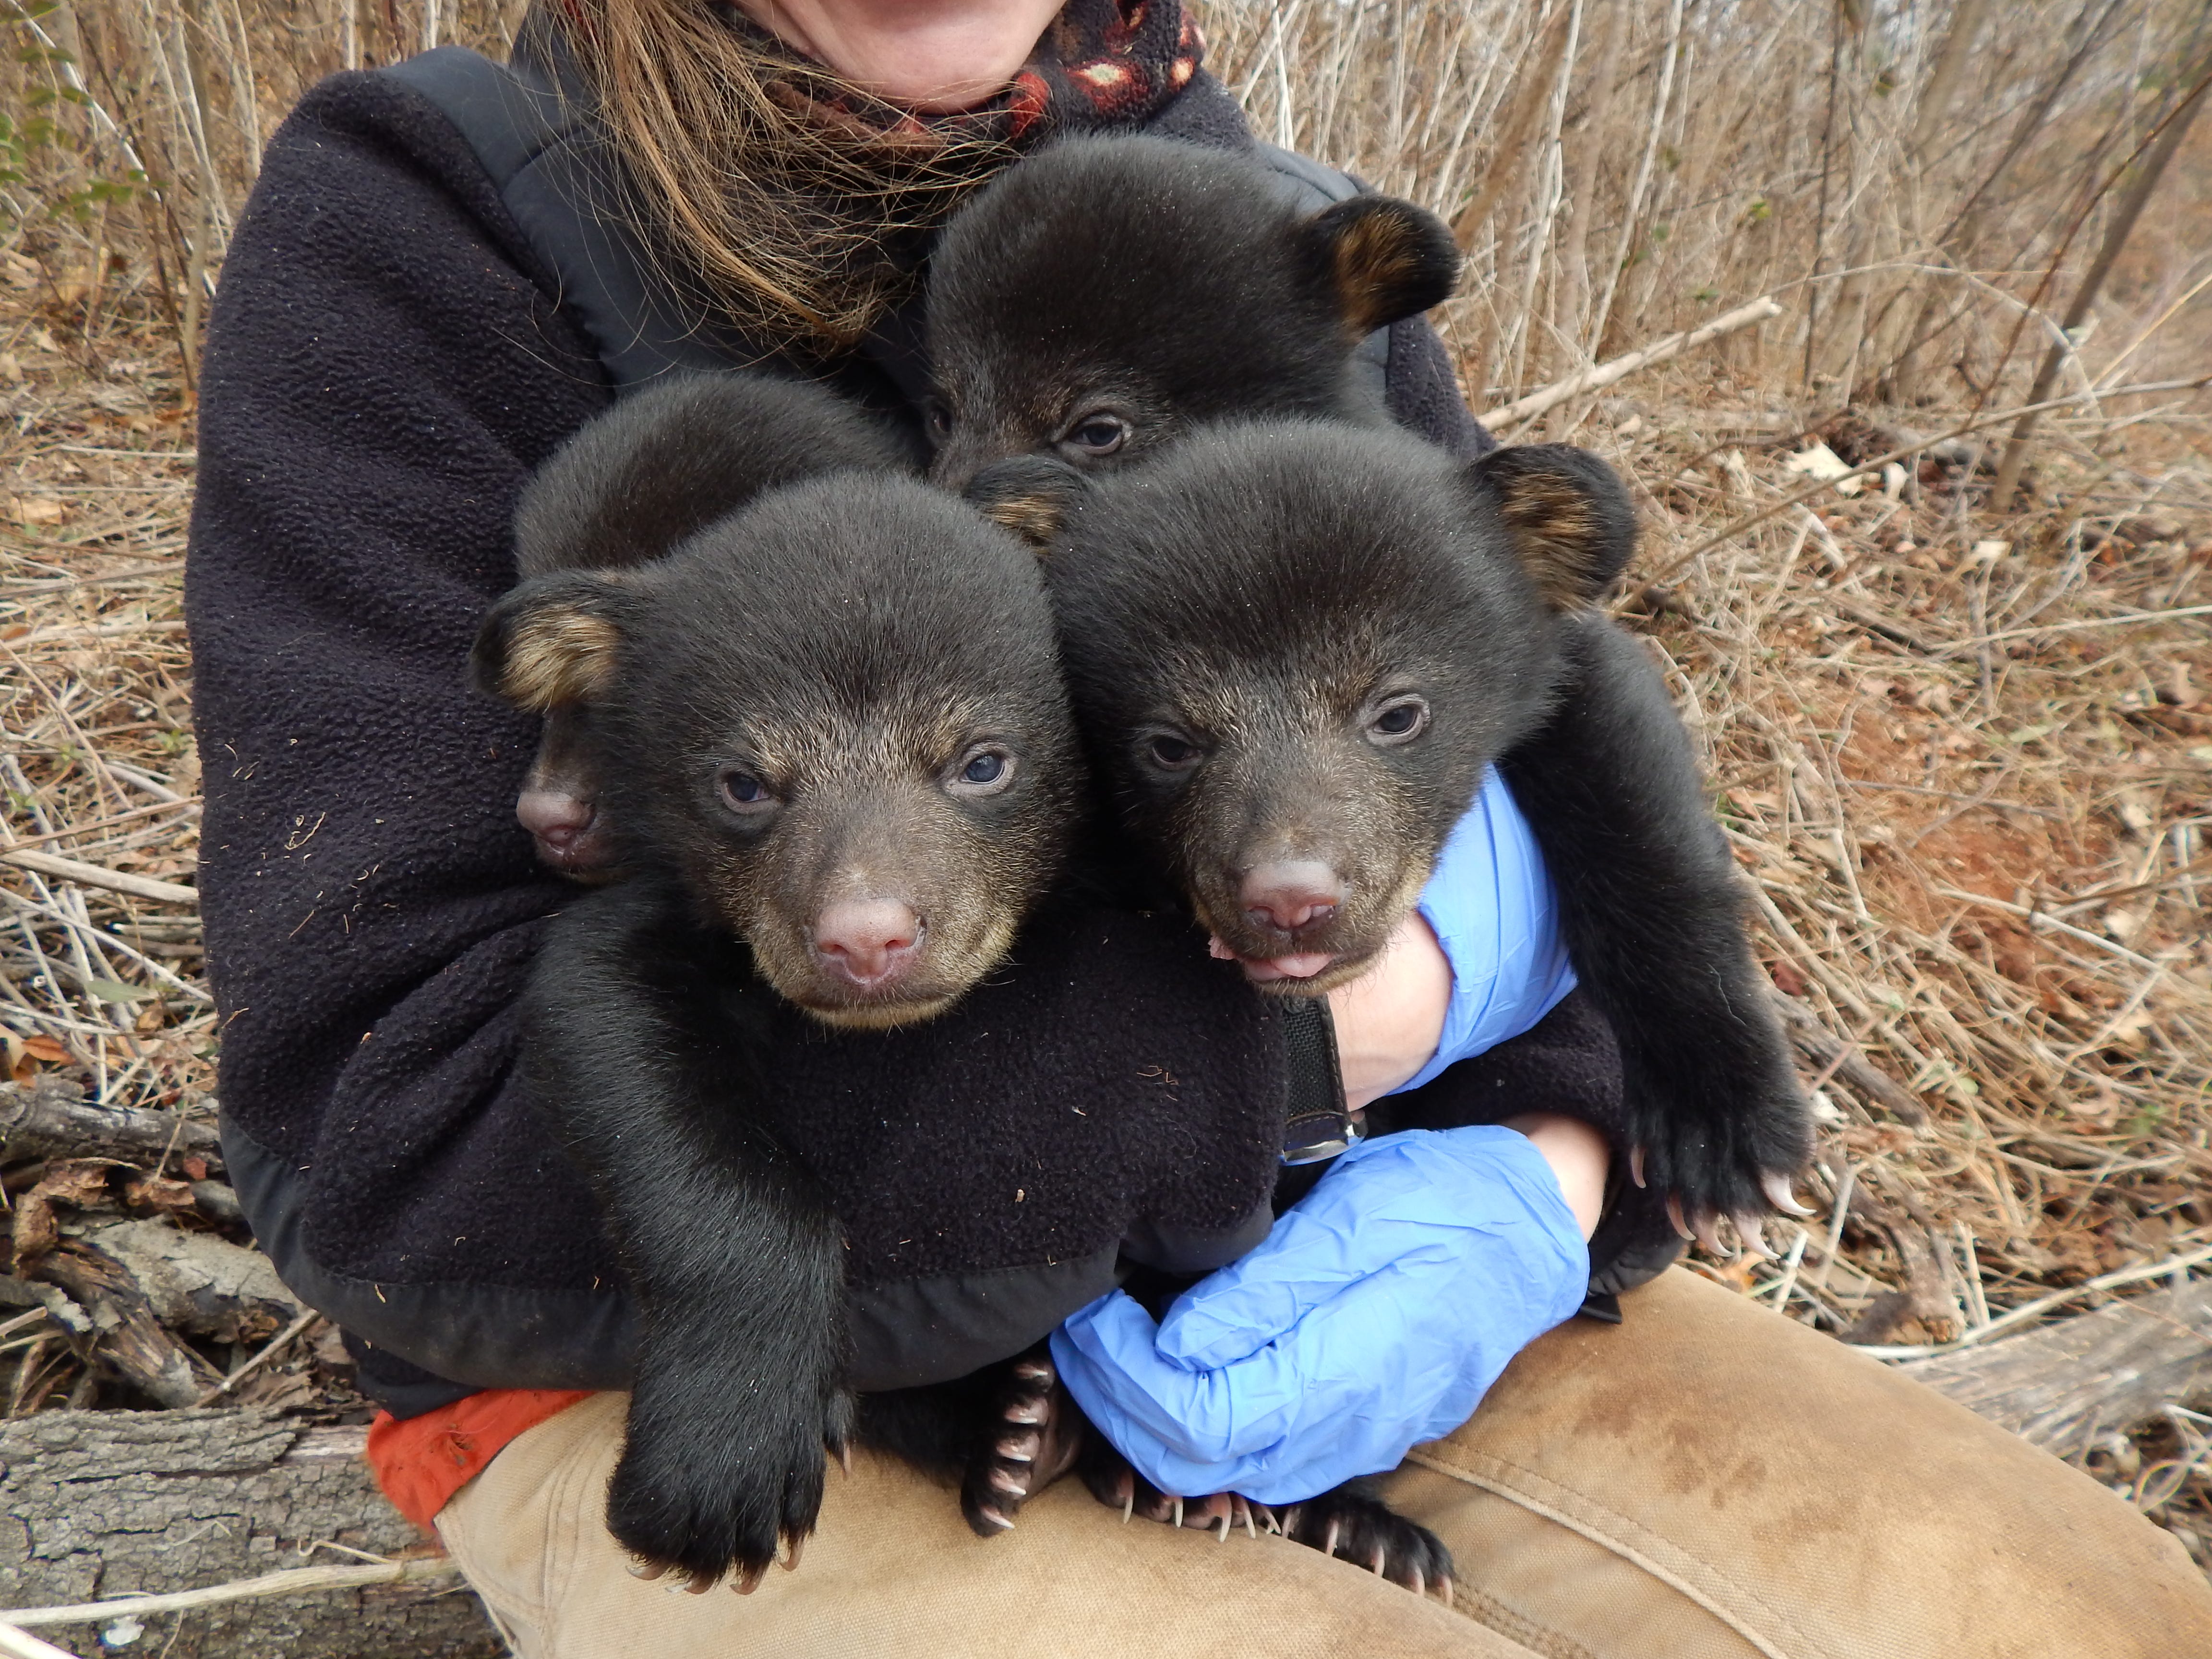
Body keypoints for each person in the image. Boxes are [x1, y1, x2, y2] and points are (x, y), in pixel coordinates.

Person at [183, 0, 2212, 1654]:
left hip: (1336, 1246)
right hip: (669, 1360)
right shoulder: (437, 226)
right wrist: (1310, 1042)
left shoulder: (1265, 232)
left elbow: (1507, 712)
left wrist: (1565, 1153)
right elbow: (395, 1121)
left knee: (2075, 1617)